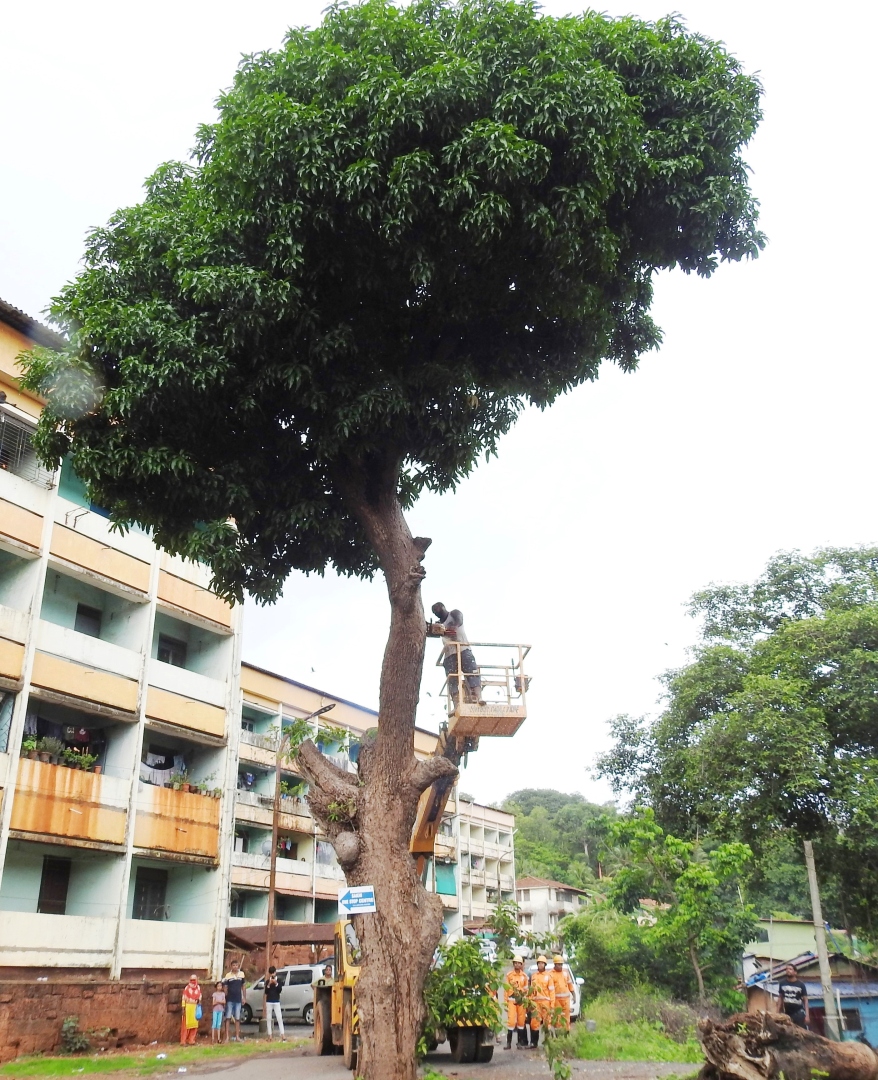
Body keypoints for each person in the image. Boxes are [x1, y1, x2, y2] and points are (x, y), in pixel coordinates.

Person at [429, 602, 484, 705]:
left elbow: (459, 619)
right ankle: (456, 703)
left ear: (443, 607)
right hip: (449, 654)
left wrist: (452, 627)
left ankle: (479, 698)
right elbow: (431, 632)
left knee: (472, 672)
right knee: (452, 679)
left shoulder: (454, 614)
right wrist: (431, 629)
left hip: (463, 648)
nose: (436, 613)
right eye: (434, 612)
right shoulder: (438, 624)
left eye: (438, 610)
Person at [528, 956, 555, 1048]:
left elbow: (552, 991)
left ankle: (547, 1042)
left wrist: (552, 1004)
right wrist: (530, 1002)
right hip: (536, 1003)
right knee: (534, 1023)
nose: (540, 965)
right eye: (539, 963)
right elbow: (531, 990)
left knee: (547, 1023)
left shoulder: (548, 976)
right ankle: (534, 1042)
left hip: (546, 1002)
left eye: (542, 963)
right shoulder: (534, 976)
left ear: (545, 965)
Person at [504, 956, 530, 1050]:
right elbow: (506, 990)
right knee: (511, 1021)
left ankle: (519, 1043)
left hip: (521, 1001)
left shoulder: (524, 976)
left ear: (521, 964)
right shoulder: (509, 975)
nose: (517, 964)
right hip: (511, 1000)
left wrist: (526, 1002)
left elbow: (526, 991)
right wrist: (505, 1002)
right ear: (513, 964)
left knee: (521, 1021)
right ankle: (508, 1043)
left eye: (519, 963)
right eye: (515, 963)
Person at [777, 964, 809, 1029]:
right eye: (787, 969)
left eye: (790, 969)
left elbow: (805, 1000)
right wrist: (777, 1012)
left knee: (800, 1032)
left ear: (795, 972)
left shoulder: (801, 985)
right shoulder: (782, 983)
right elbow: (780, 998)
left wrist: (807, 1016)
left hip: (798, 1013)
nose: (788, 970)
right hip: (787, 1014)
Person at [223, 958, 247, 1043]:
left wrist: (244, 997)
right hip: (230, 999)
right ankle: (227, 1037)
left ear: (238, 966)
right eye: (233, 965)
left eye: (236, 965)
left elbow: (243, 986)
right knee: (228, 1018)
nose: (235, 967)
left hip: (238, 999)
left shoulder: (242, 974)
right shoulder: (228, 976)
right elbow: (225, 987)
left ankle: (237, 1036)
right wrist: (225, 998)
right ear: (231, 966)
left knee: (237, 1018)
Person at [548, 955, 575, 1032]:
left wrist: (574, 994)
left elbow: (570, 984)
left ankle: (567, 1032)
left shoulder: (565, 973)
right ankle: (558, 1034)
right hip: (556, 1000)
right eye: (558, 964)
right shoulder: (550, 974)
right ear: (555, 964)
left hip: (566, 999)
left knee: (567, 1017)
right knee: (558, 1018)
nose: (560, 966)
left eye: (561, 964)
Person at [264, 966, 285, 1042]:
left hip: (276, 1001)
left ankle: (282, 1034)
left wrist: (276, 983)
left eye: (274, 972)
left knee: (279, 1018)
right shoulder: (267, 981)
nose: (273, 974)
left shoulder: (279, 980)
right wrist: (269, 984)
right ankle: (270, 1035)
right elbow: (266, 992)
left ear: (275, 972)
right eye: (271, 973)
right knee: (268, 1018)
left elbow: (279, 990)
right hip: (269, 1001)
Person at [180, 974, 202, 1045]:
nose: (193, 982)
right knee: (185, 1026)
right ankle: (183, 1041)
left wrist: (199, 1003)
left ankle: (191, 1040)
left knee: (194, 1025)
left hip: (195, 1008)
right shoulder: (187, 988)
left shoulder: (198, 988)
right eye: (191, 980)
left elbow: (200, 997)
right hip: (188, 1007)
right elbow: (183, 998)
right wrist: (183, 1008)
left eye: (194, 980)